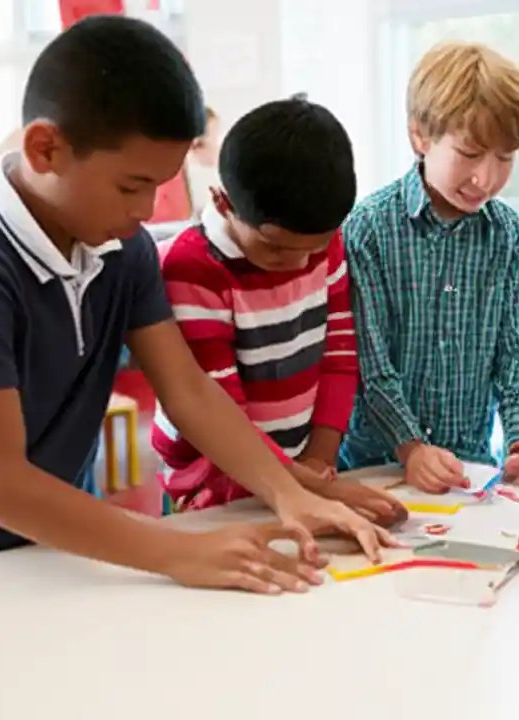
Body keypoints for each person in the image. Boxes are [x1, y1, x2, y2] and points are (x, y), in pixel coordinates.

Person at [0, 15, 393, 592]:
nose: (146, 210)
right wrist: (177, 551)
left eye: (158, 187)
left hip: (60, 540)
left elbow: (189, 391)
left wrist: (288, 492)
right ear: (46, 149)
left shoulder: (123, 248)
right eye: (131, 186)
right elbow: (0, 486)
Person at [152, 94, 406, 526]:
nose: (300, 263)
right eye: (276, 249)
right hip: (210, 483)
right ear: (223, 202)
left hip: (297, 471)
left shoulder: (323, 242)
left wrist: (319, 461)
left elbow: (339, 356)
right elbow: (218, 412)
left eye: (316, 248)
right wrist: (313, 488)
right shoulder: (193, 268)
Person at [339, 41, 519, 490]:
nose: (486, 178)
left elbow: (517, 357)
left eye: (505, 158)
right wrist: (411, 447)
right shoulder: (368, 229)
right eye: (470, 153)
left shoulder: (510, 237)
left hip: (470, 471)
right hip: (373, 467)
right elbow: (369, 363)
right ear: (420, 137)